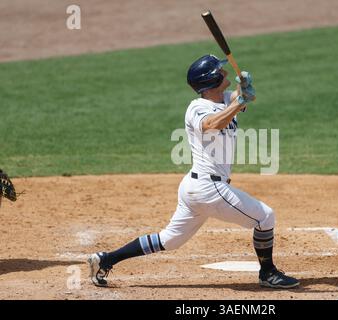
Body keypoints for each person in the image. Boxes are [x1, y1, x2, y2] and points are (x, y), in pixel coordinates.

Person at [88, 54, 299, 289]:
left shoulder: (225, 100)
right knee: (265, 217)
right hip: (210, 188)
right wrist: (239, 102)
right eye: (221, 71)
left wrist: (244, 86)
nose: (225, 73)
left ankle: (106, 259)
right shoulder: (197, 108)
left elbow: (242, 99)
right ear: (212, 79)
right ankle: (268, 274)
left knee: (170, 240)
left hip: (194, 187)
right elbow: (212, 124)